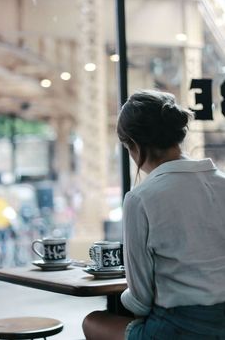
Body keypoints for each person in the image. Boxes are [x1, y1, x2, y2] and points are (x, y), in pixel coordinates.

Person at [82, 90, 225, 340]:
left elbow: (140, 300)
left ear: (134, 145)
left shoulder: (141, 198)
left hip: (183, 328)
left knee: (92, 322)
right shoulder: (221, 182)